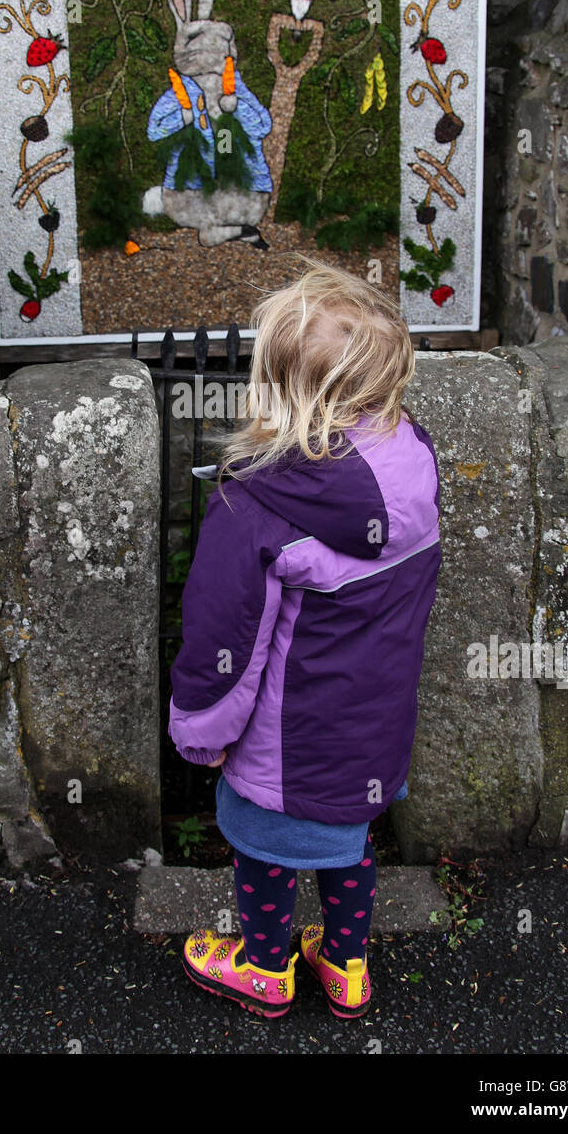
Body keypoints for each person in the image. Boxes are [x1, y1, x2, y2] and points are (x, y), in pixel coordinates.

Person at [168, 255, 442, 1019]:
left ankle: (263, 966)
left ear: (277, 385)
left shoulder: (255, 506)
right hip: (372, 722)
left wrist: (202, 735)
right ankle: (345, 967)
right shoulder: (414, 463)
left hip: (286, 739)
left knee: (264, 849)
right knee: (347, 840)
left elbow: (223, 640)